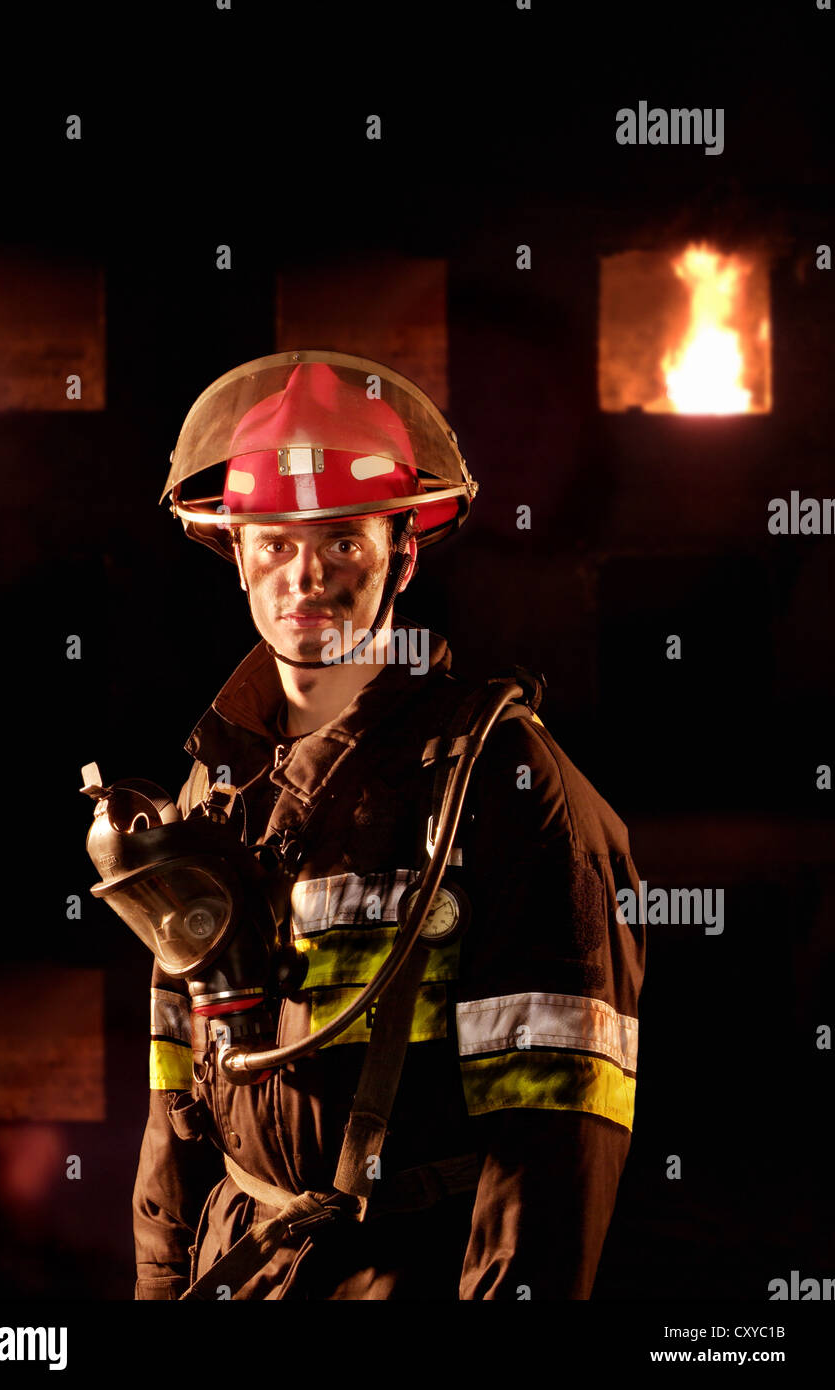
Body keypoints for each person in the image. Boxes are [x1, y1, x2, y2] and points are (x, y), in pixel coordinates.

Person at [131, 350, 645, 1300]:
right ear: (235, 551)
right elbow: (176, 1095)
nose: (304, 576)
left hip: (406, 1270)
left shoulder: (500, 780)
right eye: (276, 543)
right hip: (235, 1269)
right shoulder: (213, 786)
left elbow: (553, 1132)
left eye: (342, 543)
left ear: (401, 553)